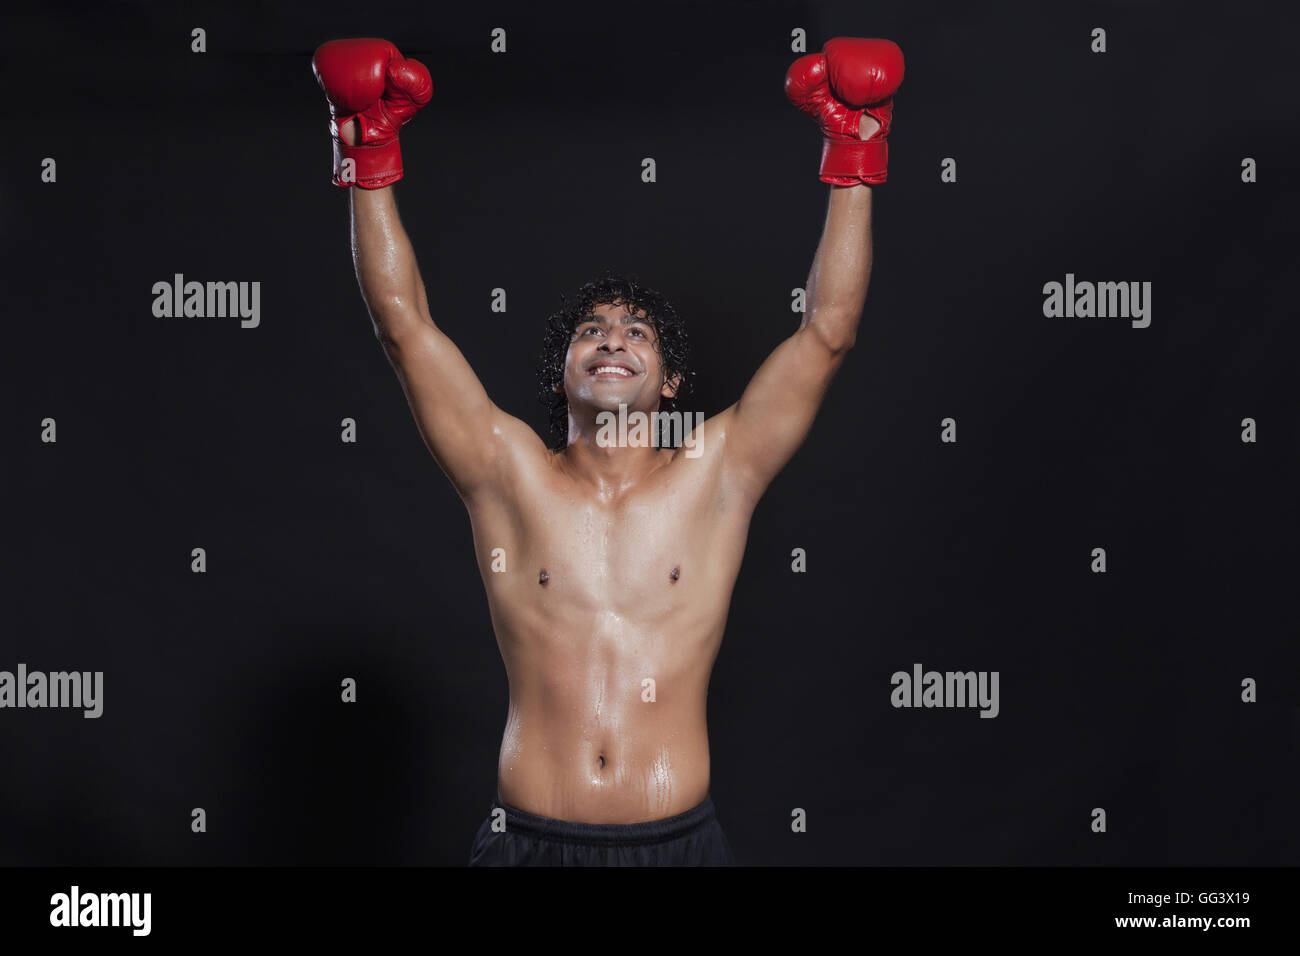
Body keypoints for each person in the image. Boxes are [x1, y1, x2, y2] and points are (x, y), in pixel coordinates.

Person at [311, 35, 904, 865]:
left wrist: (857, 153)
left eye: (636, 333)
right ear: (564, 374)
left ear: (668, 383)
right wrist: (368, 159)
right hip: (529, 844)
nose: (611, 339)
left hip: (678, 845)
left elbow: (828, 332)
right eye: (590, 331)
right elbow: (404, 329)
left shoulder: (717, 472)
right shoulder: (505, 472)